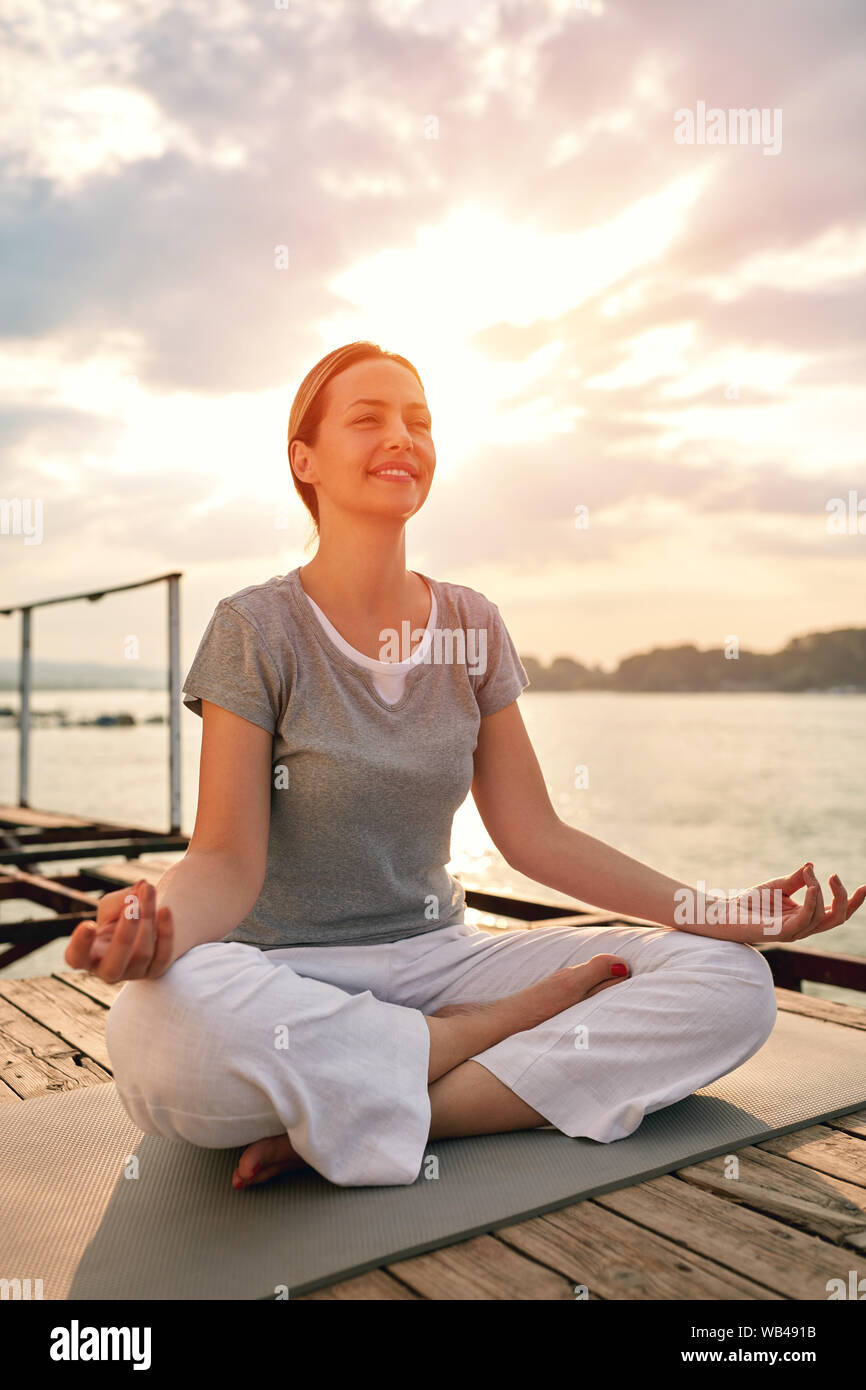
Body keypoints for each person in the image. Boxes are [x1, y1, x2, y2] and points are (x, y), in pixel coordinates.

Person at [65, 340, 866, 1191]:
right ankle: (464, 1041)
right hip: (290, 971)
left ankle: (408, 1104)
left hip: (442, 958)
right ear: (305, 460)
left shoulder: (471, 624)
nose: (401, 437)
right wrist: (154, 930)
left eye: (419, 421)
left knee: (731, 983)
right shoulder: (256, 628)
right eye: (368, 419)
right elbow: (224, 862)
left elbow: (535, 836)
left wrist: (721, 910)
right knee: (155, 1029)